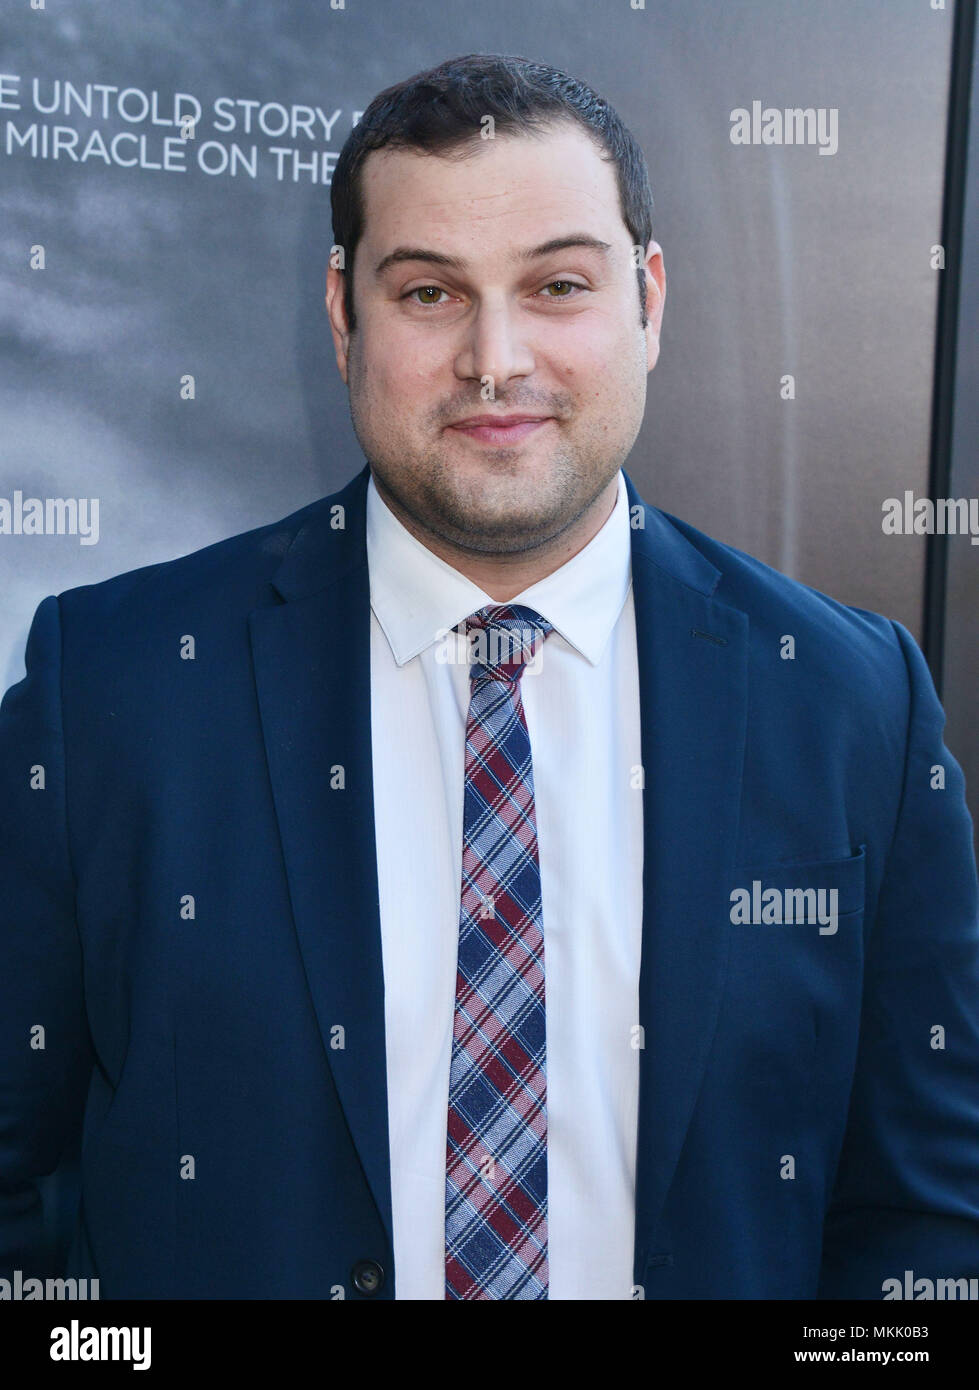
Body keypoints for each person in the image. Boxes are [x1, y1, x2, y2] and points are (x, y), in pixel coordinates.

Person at [1, 52, 977, 1302]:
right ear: (345, 314)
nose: (494, 358)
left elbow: (923, 1216)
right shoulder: (115, 689)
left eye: (559, 284)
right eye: (429, 294)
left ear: (649, 299)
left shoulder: (854, 703)